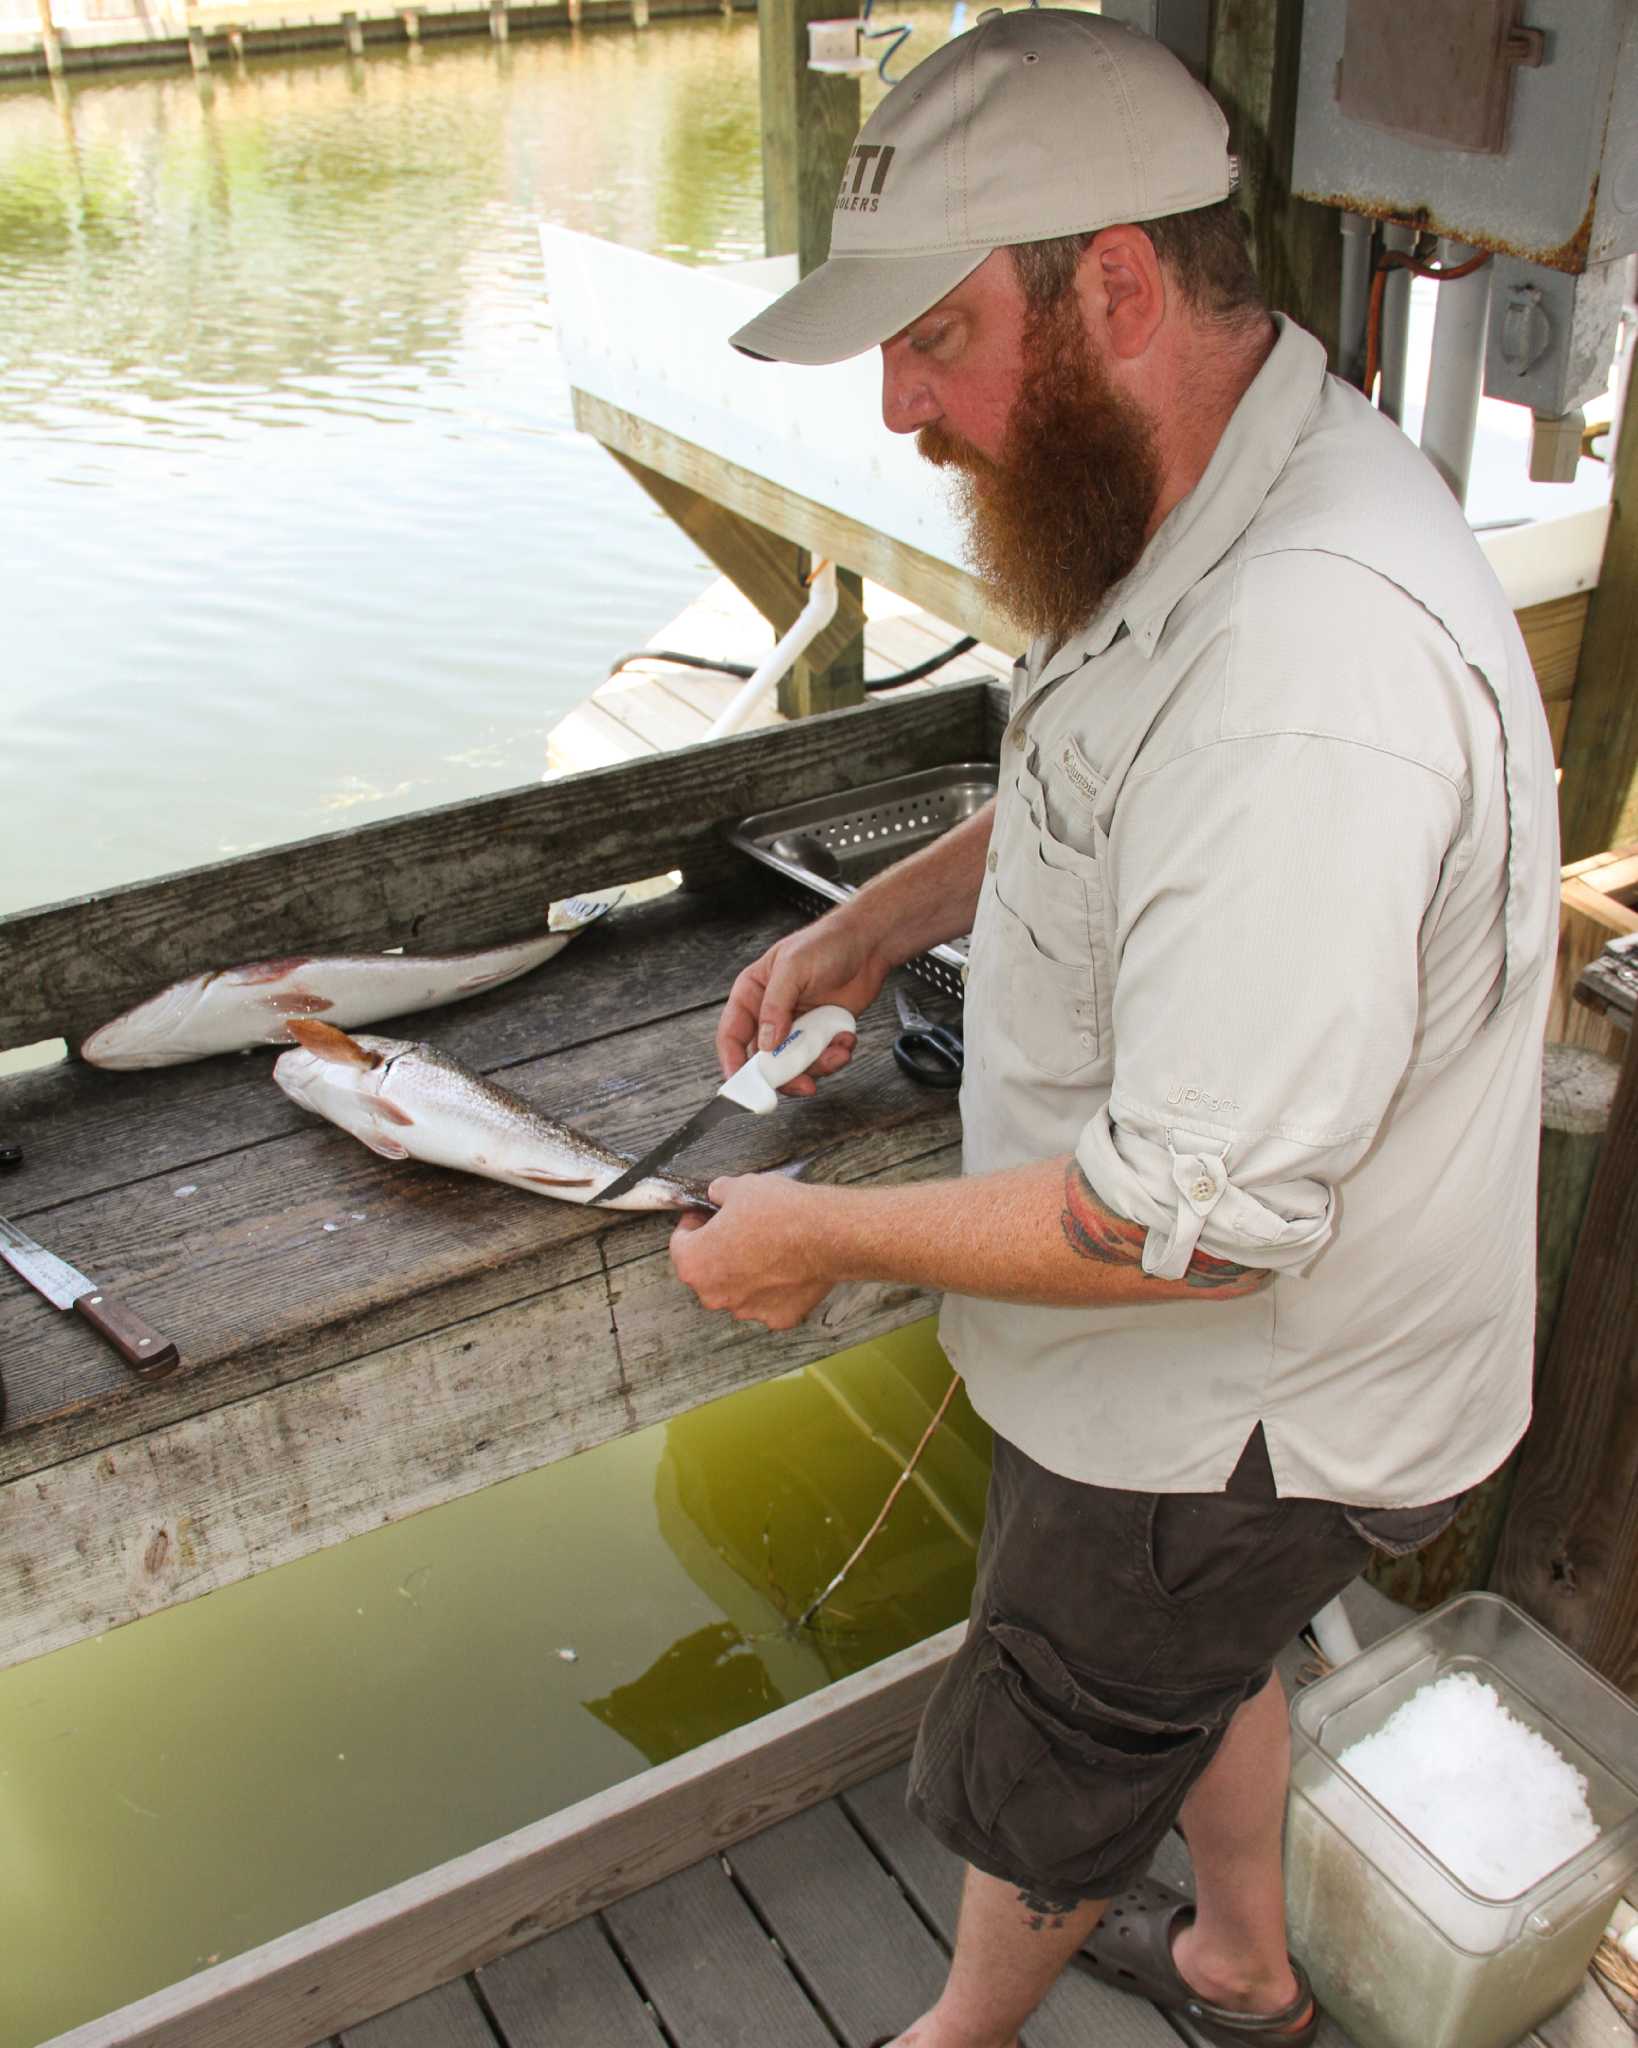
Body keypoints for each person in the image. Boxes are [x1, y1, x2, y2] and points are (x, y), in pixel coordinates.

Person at [668, 12, 1561, 2047]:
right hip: (1204, 1349)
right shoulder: (1192, 477)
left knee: (1054, 1746)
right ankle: (1247, 1962)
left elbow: (1195, 1223)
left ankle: (956, 2033)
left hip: (1226, 1393)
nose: (900, 407)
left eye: (934, 337)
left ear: (1121, 285)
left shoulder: (1309, 659)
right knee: (1205, 1663)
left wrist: (812, 1236)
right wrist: (886, 917)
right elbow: (1104, 768)